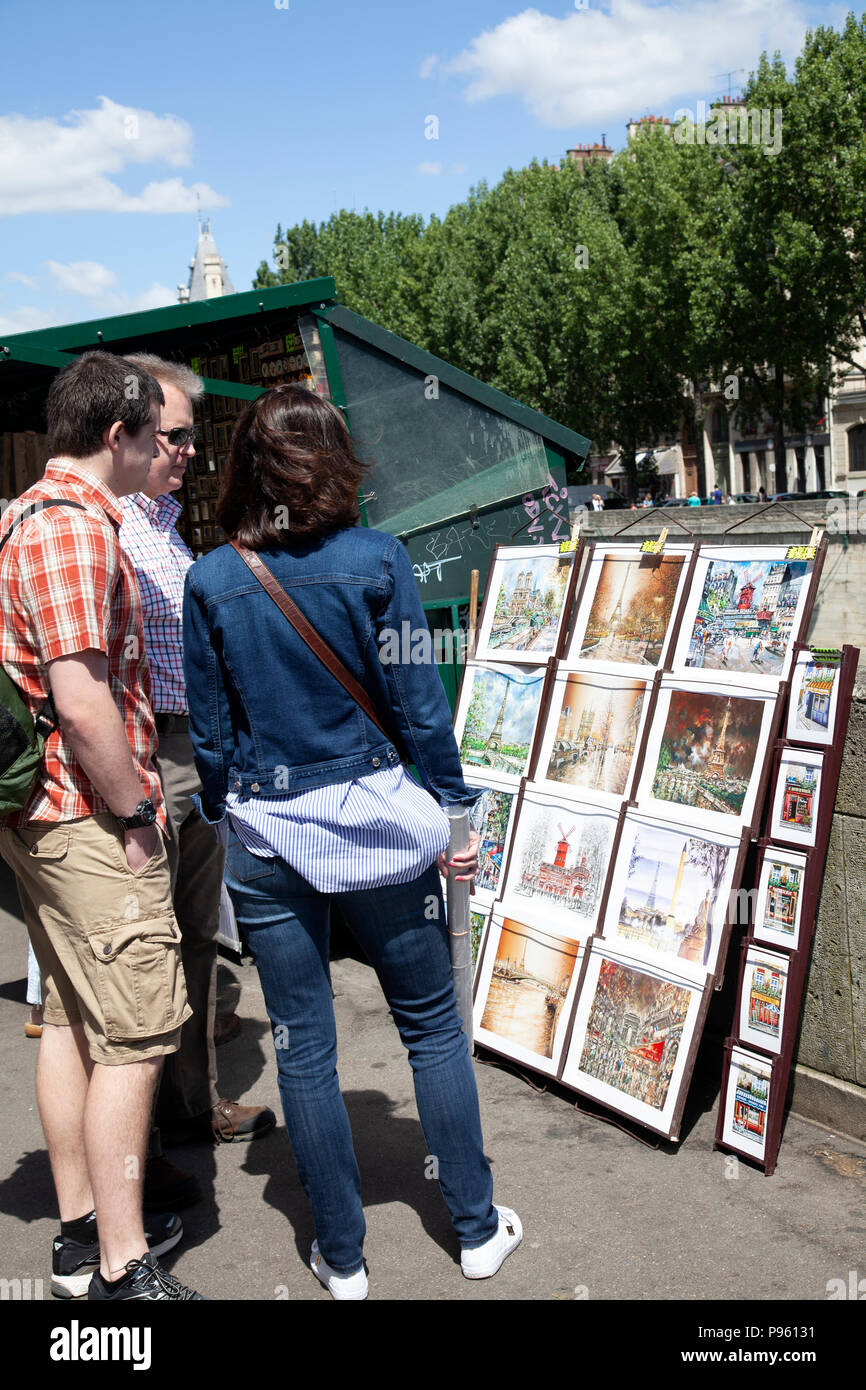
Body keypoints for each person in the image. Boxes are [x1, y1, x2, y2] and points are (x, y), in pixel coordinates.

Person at [182, 384, 521, 1300]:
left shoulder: (212, 578)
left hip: (267, 834)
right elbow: (419, 703)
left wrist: (225, 807)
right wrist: (451, 813)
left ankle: (341, 1257)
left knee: (301, 1047)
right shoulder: (378, 559)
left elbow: (209, 731)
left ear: (246, 466)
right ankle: (477, 1230)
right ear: (334, 460)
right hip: (378, 825)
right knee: (433, 1031)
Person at [0, 351, 205, 1301]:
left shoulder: (25, 515)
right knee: (136, 1032)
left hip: (39, 813)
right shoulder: (77, 531)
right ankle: (125, 1269)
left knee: (74, 1022)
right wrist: (132, 812)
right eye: (156, 434)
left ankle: (84, 1238)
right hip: (83, 813)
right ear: (116, 436)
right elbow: (83, 703)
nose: (169, 450)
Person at [120, 353, 275, 1182]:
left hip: (191, 754)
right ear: (134, 430)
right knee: (149, 951)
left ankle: (189, 1111)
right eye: (176, 435)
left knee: (192, 942)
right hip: (150, 757)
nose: (190, 450)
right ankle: (136, 1150)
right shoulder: (111, 524)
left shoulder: (161, 522)